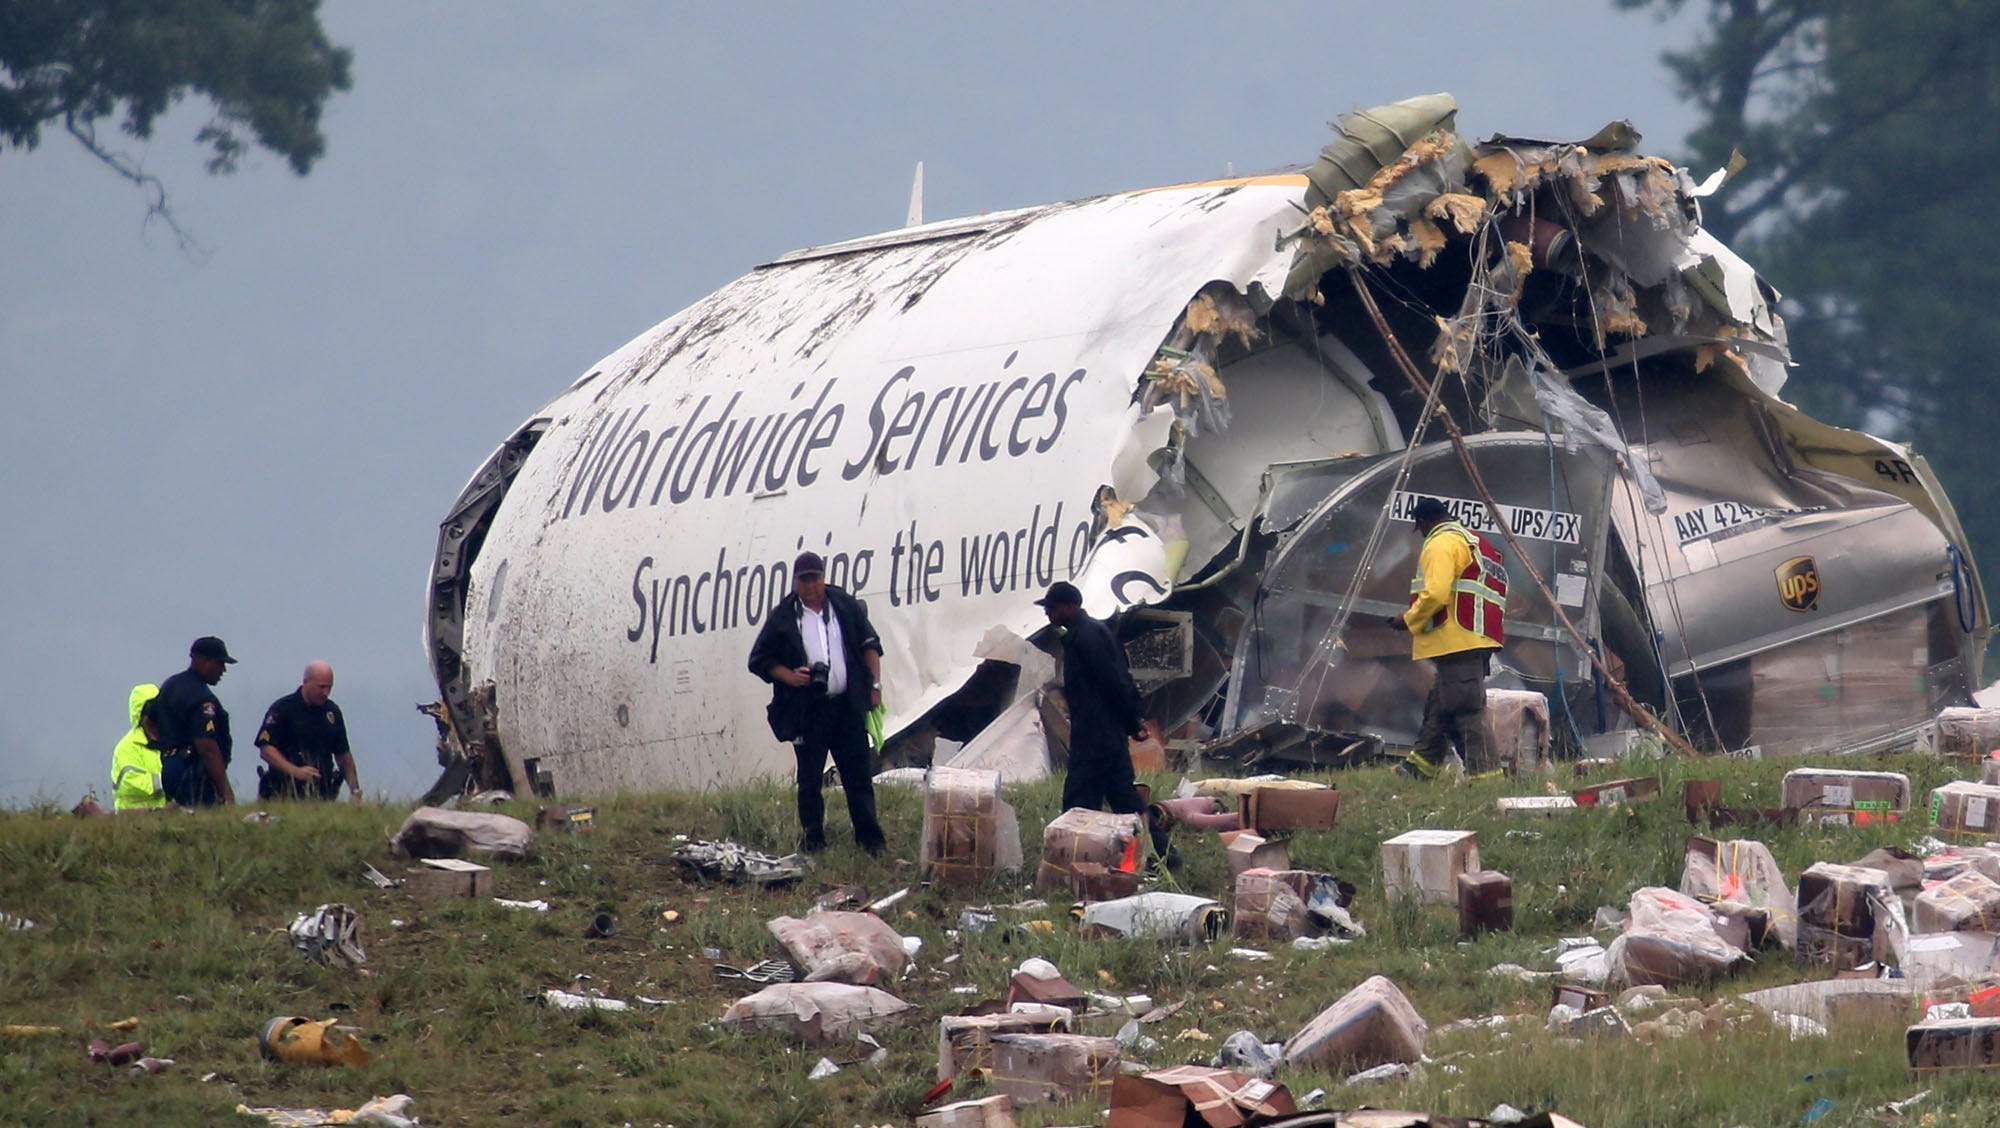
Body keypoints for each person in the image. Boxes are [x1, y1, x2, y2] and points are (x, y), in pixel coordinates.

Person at [747, 551, 887, 854]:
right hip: (808, 710)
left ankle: (871, 840)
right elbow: (759, 660)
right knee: (809, 780)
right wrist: (789, 676)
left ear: (823, 578)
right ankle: (813, 840)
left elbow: (870, 644)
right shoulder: (784, 616)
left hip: (846, 705)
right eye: (804, 580)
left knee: (858, 775)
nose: (811, 586)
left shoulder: (843, 605)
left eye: (815, 578)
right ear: (795, 582)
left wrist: (874, 685)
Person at [1385, 496, 1508, 779]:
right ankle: (1419, 769)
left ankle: (1487, 777)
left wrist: (1409, 619)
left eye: (1421, 528)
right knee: (1441, 704)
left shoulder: (1440, 543)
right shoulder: (1474, 542)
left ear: (1423, 522)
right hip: (1475, 637)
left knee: (1465, 711)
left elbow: (1437, 594)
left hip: (1456, 639)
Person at [1035, 581, 1150, 816]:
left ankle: (1072, 851)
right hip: (1102, 736)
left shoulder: (1088, 636)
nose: (1048, 614)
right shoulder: (1084, 634)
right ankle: (1158, 851)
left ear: (1069, 607)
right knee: (1125, 802)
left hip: (1096, 738)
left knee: (1078, 805)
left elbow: (1113, 683)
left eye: (1052, 608)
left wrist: (1132, 723)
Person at [256, 661, 362, 802]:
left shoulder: (332, 712)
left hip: (322, 794)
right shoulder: (283, 709)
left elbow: (343, 755)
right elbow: (266, 750)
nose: (325, 693)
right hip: (284, 793)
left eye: (329, 687)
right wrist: (296, 771)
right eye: (321, 687)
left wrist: (355, 790)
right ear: (306, 682)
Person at [154, 636, 239, 807]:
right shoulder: (202, 699)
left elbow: (149, 720)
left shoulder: (171, 685)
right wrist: (227, 794)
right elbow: (207, 747)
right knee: (205, 818)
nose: (223, 670)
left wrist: (166, 745)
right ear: (204, 660)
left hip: (169, 766)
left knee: (181, 818)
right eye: (220, 663)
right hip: (192, 770)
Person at [109, 683, 168, 811]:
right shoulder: (127, 748)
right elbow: (130, 784)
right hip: (134, 823)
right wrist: (169, 782)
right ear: (140, 714)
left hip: (170, 818)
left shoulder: (172, 741)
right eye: (152, 709)